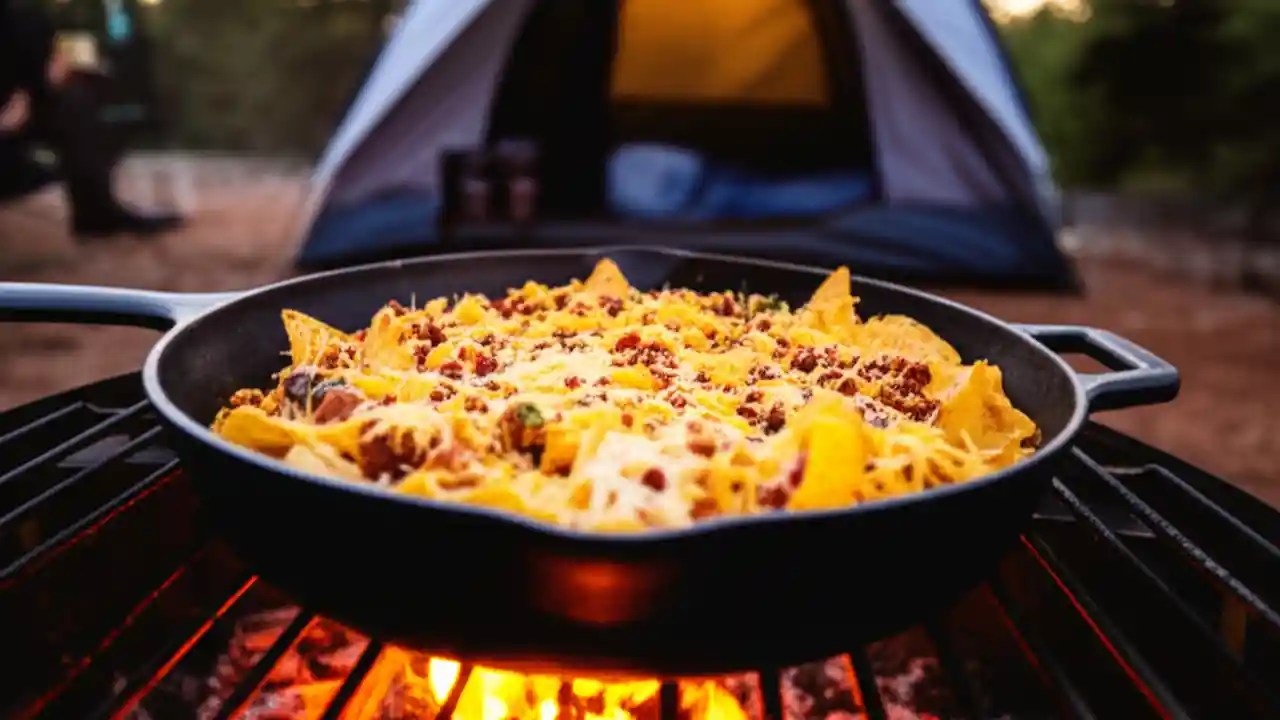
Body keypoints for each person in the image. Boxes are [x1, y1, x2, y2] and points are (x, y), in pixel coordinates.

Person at [0, 0, 182, 238]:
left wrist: (31, 92)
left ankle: (96, 214)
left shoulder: (25, 21)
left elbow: (44, 73)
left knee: (76, 102)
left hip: (15, 116)